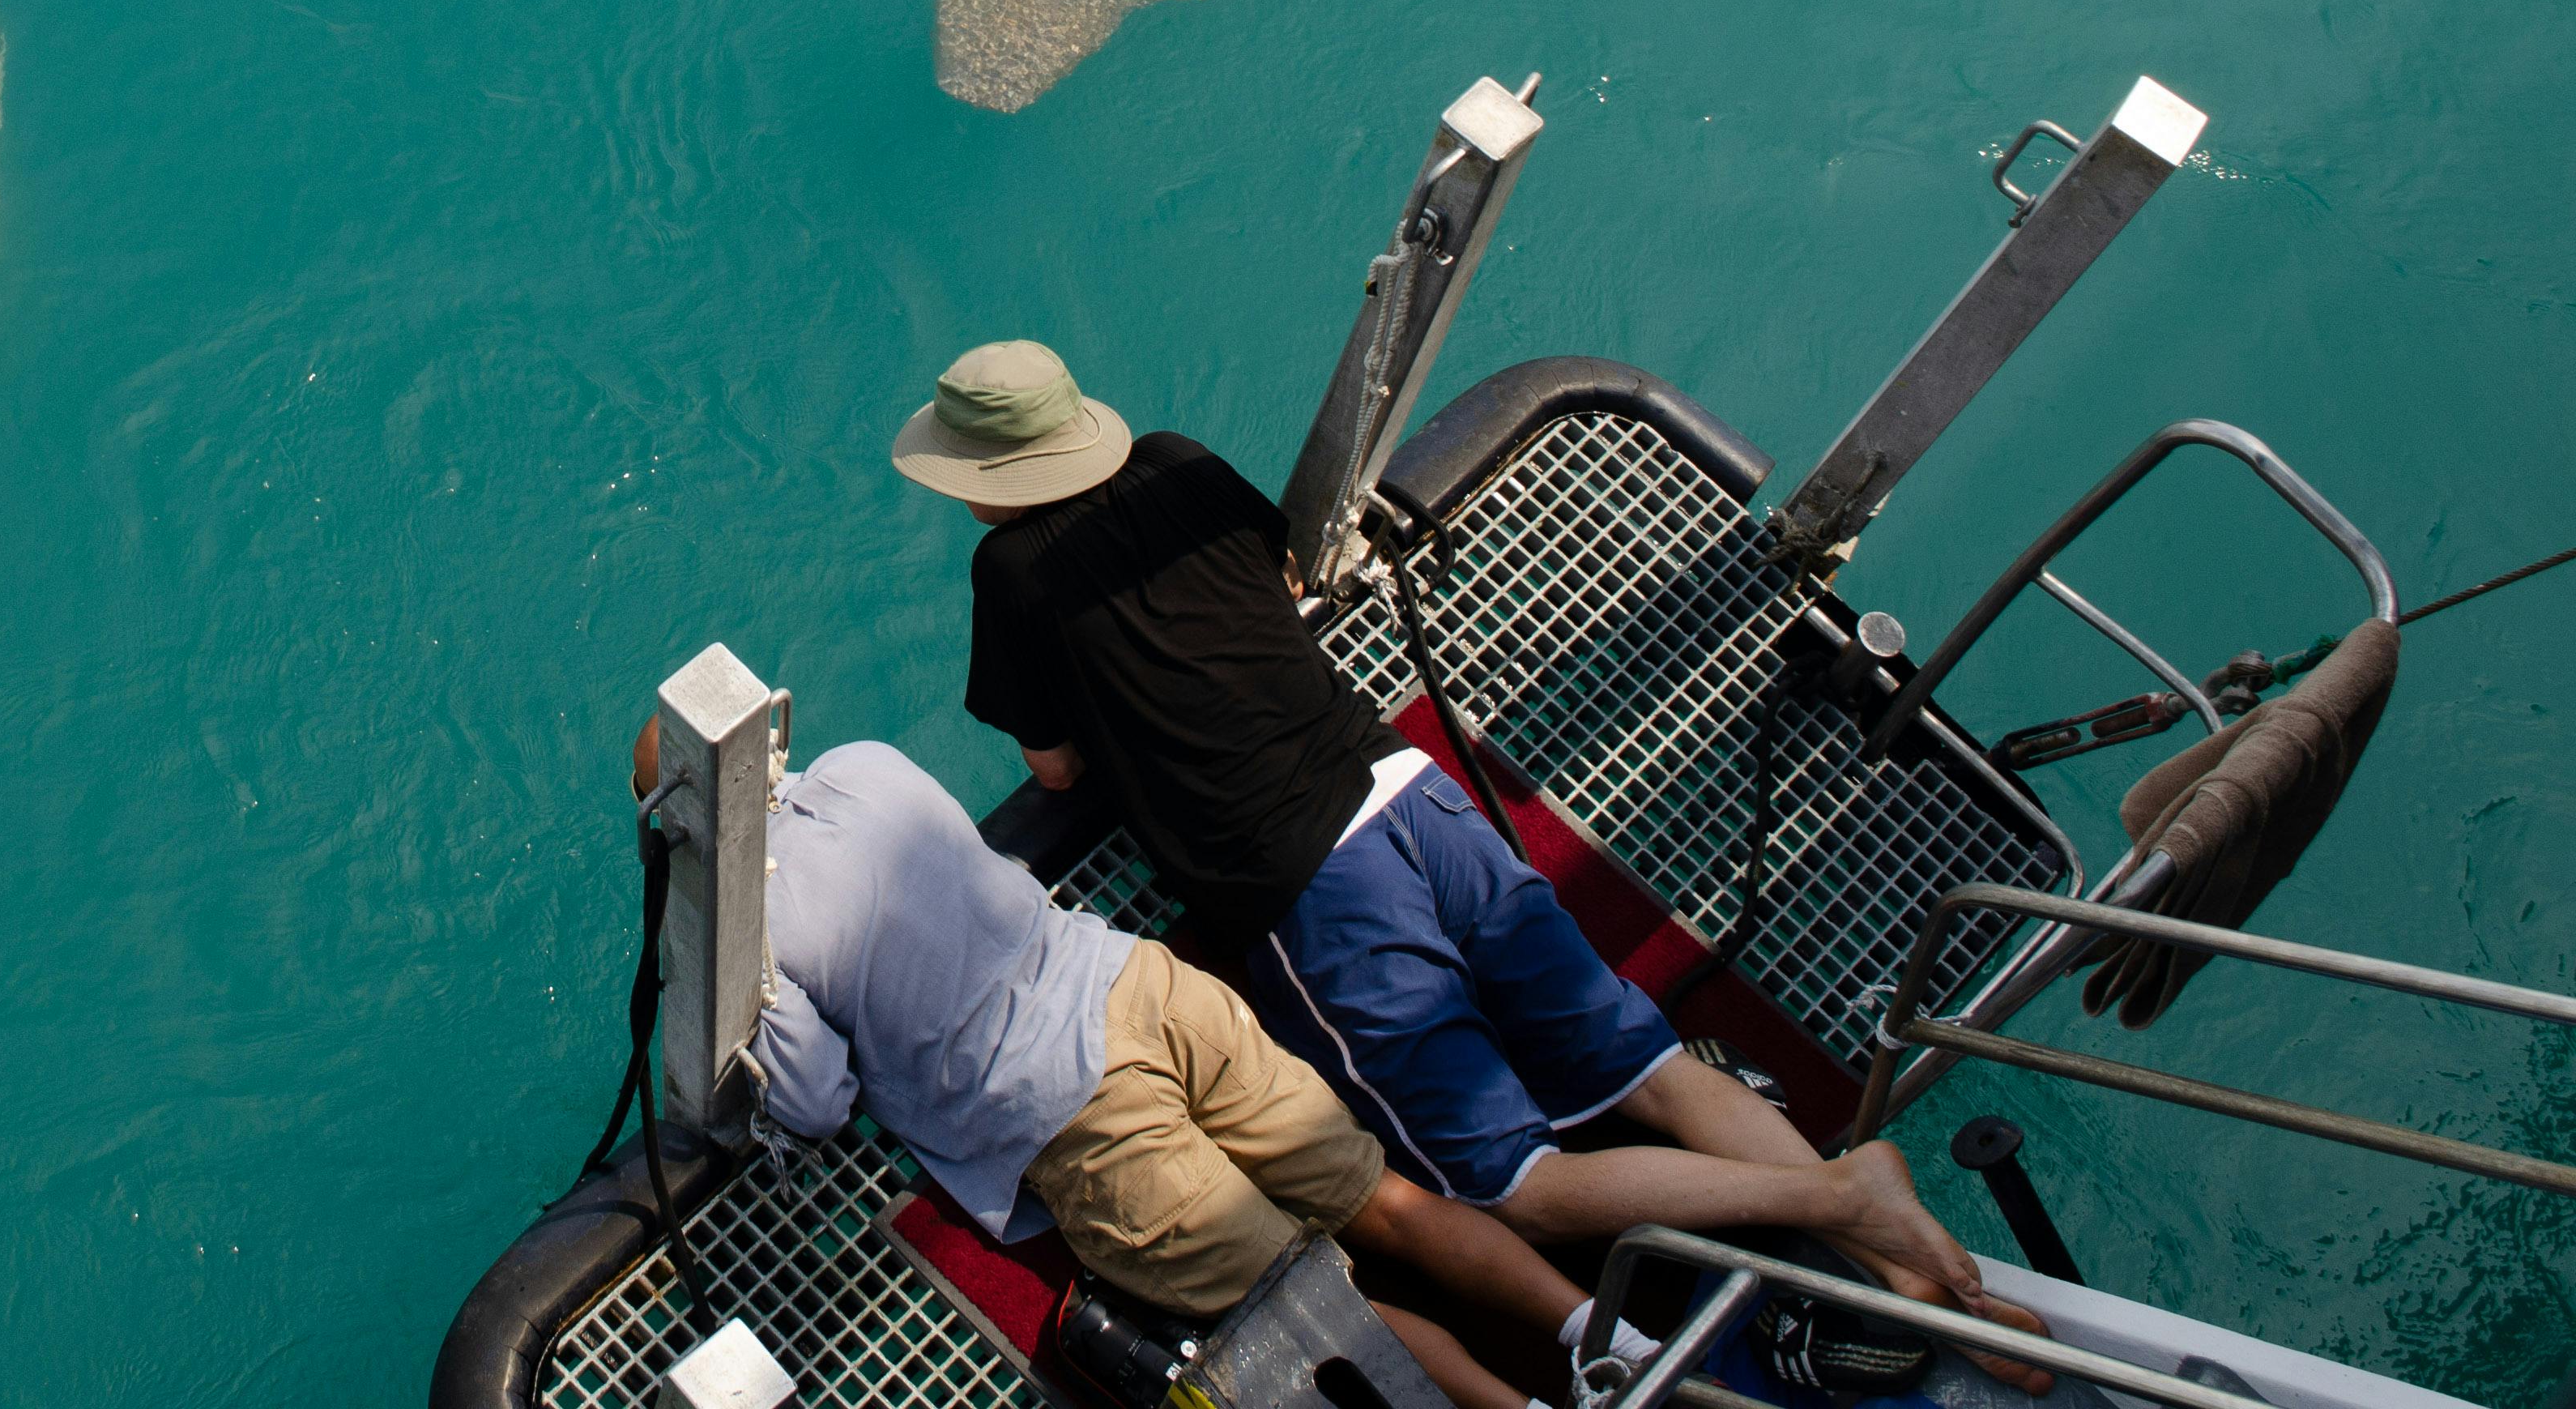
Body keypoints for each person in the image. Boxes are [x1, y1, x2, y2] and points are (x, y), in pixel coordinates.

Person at [893, 339, 2050, 1375]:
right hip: (1411, 793)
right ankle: (1927, 1276)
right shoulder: (1179, 460)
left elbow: (1052, 768)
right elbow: (1284, 579)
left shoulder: (1013, 573)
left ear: (984, 482)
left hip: (1309, 880)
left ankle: (1837, 1191)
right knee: (1644, 1063)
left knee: (1516, 1189)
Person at [631, 718, 1658, 1409]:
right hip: (1140, 985)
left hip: (1061, 1112)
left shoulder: (747, 934)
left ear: (675, 822)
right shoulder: (861, 762)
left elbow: (812, 1101)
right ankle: (1602, 1341)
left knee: (1309, 1302)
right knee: (1383, 1201)